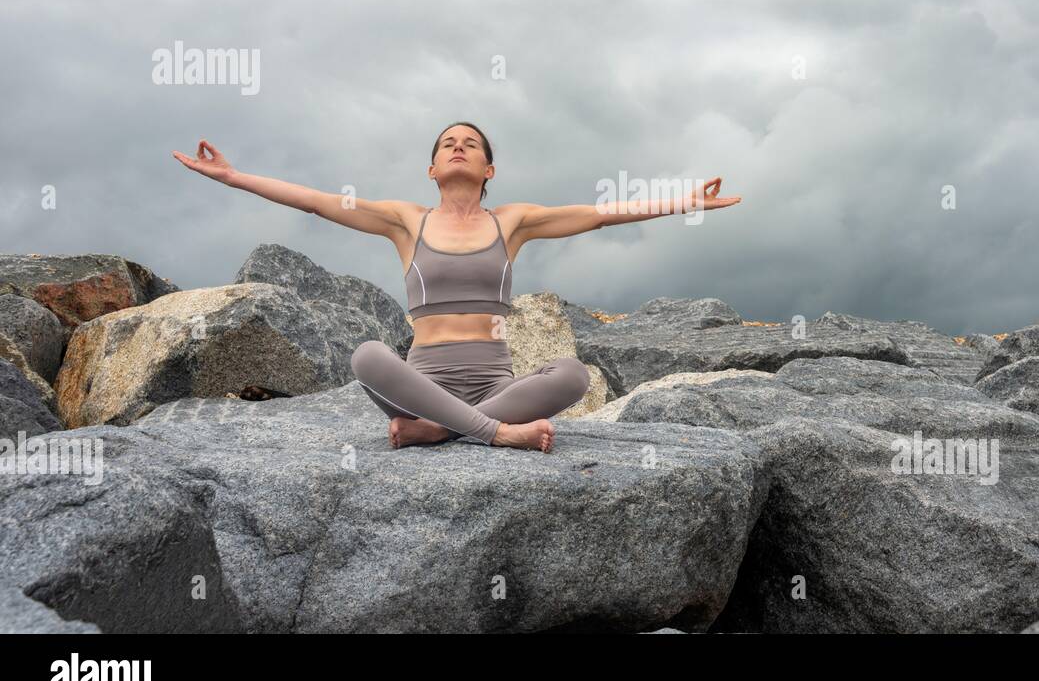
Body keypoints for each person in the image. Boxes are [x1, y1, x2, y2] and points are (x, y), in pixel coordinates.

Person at [173, 121, 741, 452]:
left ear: (489, 170)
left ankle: (434, 433)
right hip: (420, 379)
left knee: (573, 374)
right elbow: (318, 202)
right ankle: (494, 434)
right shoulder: (405, 220)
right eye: (448, 143)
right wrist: (233, 176)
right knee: (369, 354)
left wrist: (687, 200)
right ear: (432, 169)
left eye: (472, 143)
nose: (459, 147)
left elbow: (600, 215)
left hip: (496, 379)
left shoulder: (512, 221)